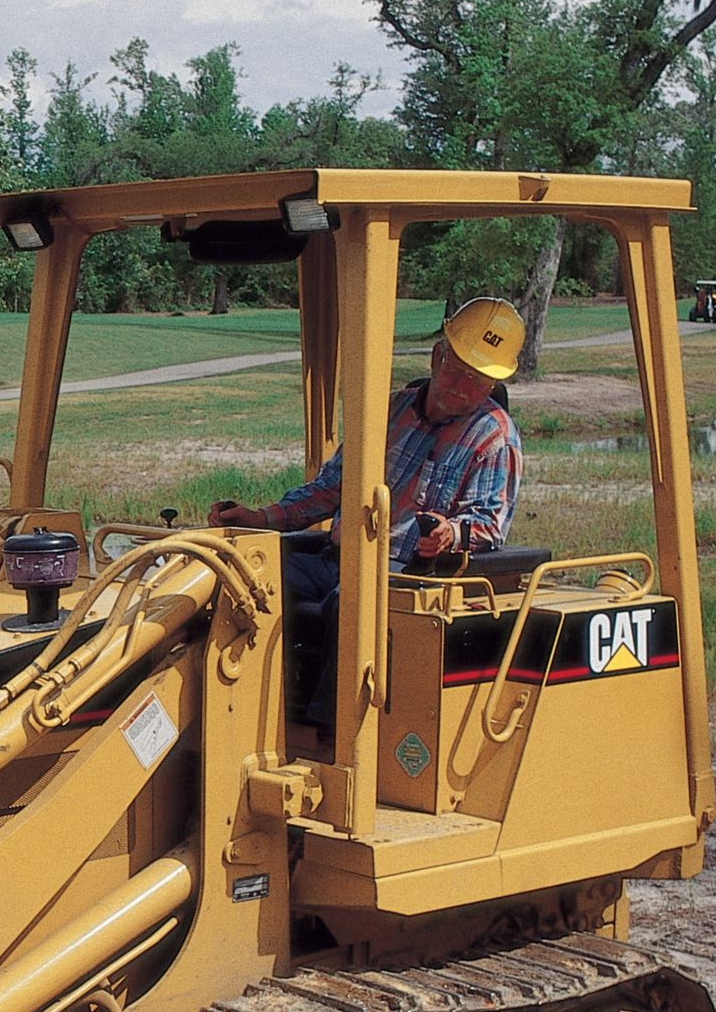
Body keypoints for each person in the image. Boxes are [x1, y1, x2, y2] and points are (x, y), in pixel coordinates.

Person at [209, 296, 526, 728]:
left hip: (406, 575)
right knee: (242, 574)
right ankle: (237, 709)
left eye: (478, 380)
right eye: (457, 370)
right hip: (338, 559)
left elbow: (489, 523)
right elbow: (332, 487)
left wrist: (450, 534)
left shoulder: (495, 438)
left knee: (351, 603)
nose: (462, 386)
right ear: (438, 356)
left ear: (492, 386)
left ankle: (331, 733)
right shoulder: (391, 411)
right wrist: (263, 519)